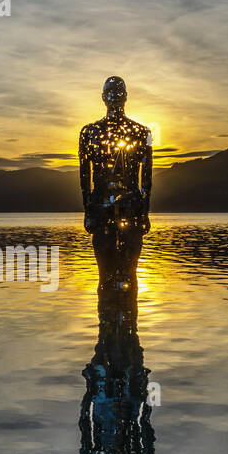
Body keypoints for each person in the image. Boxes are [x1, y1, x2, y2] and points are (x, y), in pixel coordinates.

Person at [78, 76, 153, 299]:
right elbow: (146, 181)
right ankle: (121, 326)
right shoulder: (141, 132)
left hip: (106, 208)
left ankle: (113, 325)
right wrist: (145, 212)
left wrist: (88, 210)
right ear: (126, 98)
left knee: (111, 275)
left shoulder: (89, 132)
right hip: (126, 207)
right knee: (124, 274)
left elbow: (85, 178)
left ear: (103, 98)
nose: (114, 98)